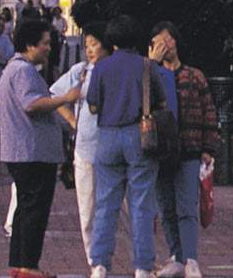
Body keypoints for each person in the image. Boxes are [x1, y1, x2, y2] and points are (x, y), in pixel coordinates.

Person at [0, 17, 85, 276]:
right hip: (32, 153)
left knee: (24, 211)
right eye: (45, 43)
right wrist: (65, 98)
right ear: (30, 44)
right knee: (35, 211)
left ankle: (19, 264)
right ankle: (29, 265)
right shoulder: (23, 71)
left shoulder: (12, 70)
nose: (49, 48)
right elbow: (32, 103)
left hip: (20, 151)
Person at [85, 15, 167, 278]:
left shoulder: (101, 68)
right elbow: (160, 103)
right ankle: (142, 267)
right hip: (139, 137)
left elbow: (93, 105)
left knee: (105, 203)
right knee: (142, 204)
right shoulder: (146, 66)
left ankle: (99, 264)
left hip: (107, 136)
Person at [150, 21, 221, 278]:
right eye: (157, 42)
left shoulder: (194, 76)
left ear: (176, 42)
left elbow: (208, 111)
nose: (163, 46)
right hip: (160, 151)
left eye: (166, 40)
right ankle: (176, 256)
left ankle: (190, 258)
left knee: (187, 207)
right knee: (166, 207)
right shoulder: (151, 76)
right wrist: (151, 65)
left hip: (189, 149)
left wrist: (208, 147)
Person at [54, 31, 114, 246]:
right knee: (87, 208)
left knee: (123, 207)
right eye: (86, 45)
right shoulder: (80, 71)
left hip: (114, 147)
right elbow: (55, 95)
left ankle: (140, 260)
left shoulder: (117, 71)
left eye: (94, 44)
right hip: (86, 147)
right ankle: (94, 260)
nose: (89, 50)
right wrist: (72, 120)